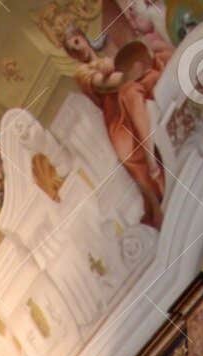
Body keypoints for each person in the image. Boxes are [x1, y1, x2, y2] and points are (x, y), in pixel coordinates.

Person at [63, 23, 169, 229]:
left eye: (76, 42)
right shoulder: (82, 72)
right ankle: (156, 188)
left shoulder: (106, 53)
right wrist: (131, 69)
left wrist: (134, 66)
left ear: (83, 37)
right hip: (117, 115)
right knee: (128, 153)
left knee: (158, 59)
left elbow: (133, 59)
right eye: (71, 49)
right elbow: (107, 85)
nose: (77, 49)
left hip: (134, 87)